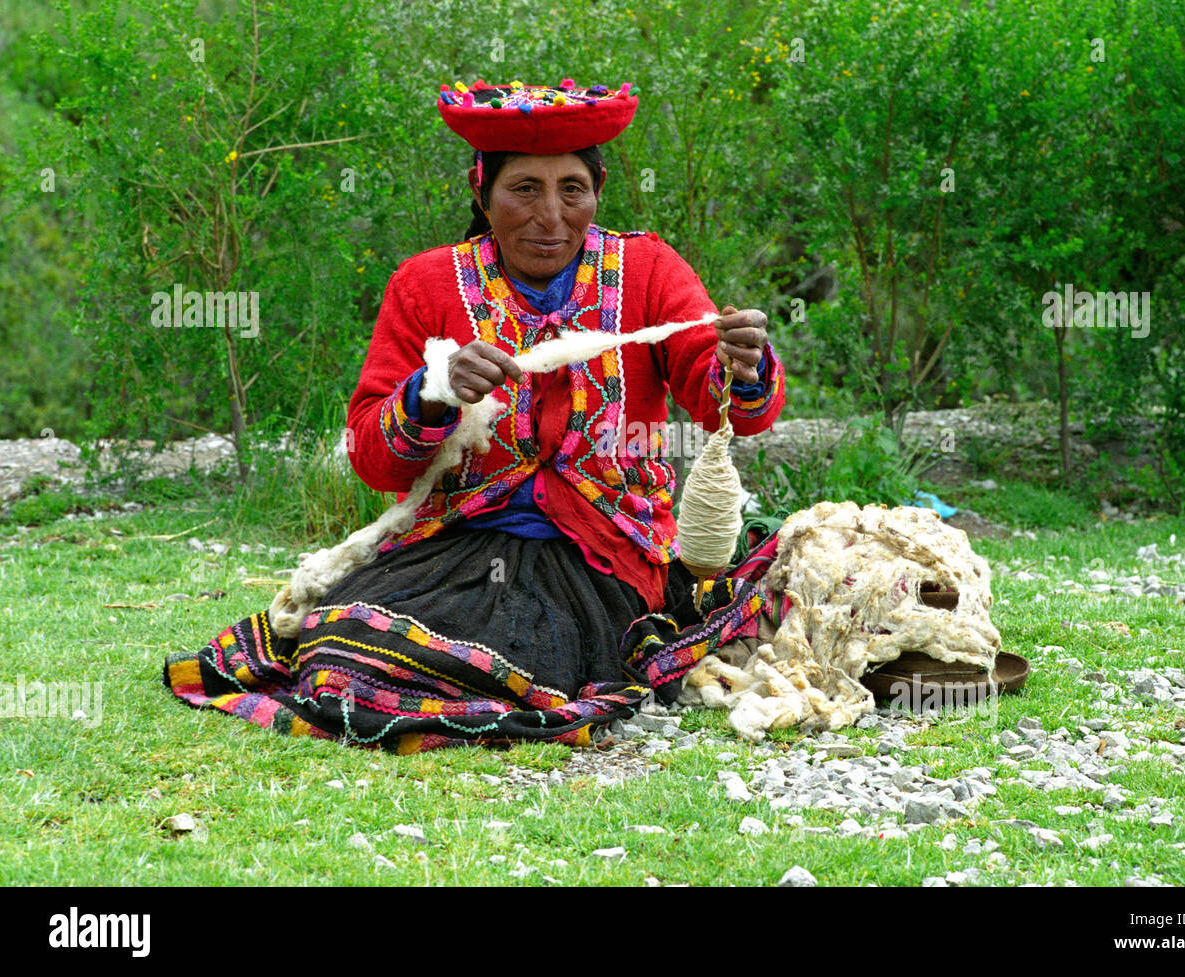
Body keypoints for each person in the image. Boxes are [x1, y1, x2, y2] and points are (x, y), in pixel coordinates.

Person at [163, 80, 786, 752]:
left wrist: (742, 363)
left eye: (572, 189)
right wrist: (432, 392)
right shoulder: (426, 284)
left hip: (600, 555)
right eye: (525, 189)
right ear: (481, 191)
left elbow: (730, 404)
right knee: (343, 649)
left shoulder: (648, 271)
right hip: (451, 544)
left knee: (524, 648)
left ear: (598, 190)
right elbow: (372, 456)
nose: (550, 215)